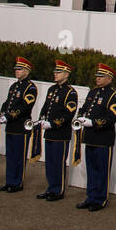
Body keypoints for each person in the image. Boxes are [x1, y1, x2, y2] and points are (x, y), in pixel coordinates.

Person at [73, 63, 116, 211]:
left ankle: (100, 199)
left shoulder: (113, 95)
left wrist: (93, 123)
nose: (98, 78)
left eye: (101, 76)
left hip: (103, 138)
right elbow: (84, 108)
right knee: (91, 169)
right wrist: (81, 117)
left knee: (101, 170)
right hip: (90, 137)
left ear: (109, 78)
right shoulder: (93, 93)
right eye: (97, 76)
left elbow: (112, 116)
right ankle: (91, 196)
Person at [35, 59, 78, 201]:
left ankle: (58, 190)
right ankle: (50, 187)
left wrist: (53, 124)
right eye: (55, 71)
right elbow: (46, 107)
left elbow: (68, 114)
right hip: (49, 132)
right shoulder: (52, 90)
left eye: (58, 72)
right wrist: (42, 118)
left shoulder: (70, 92)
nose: (55, 74)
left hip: (60, 133)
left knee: (58, 163)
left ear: (66, 74)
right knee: (49, 162)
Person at [0, 56, 38, 193]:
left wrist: (9, 116)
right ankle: (9, 181)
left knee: (18, 156)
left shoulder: (30, 87)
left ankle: (17, 183)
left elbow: (25, 107)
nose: (17, 71)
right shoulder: (14, 86)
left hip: (20, 126)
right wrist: (2, 112)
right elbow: (7, 102)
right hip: (10, 125)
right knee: (10, 156)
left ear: (27, 71)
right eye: (16, 69)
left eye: (19, 69)